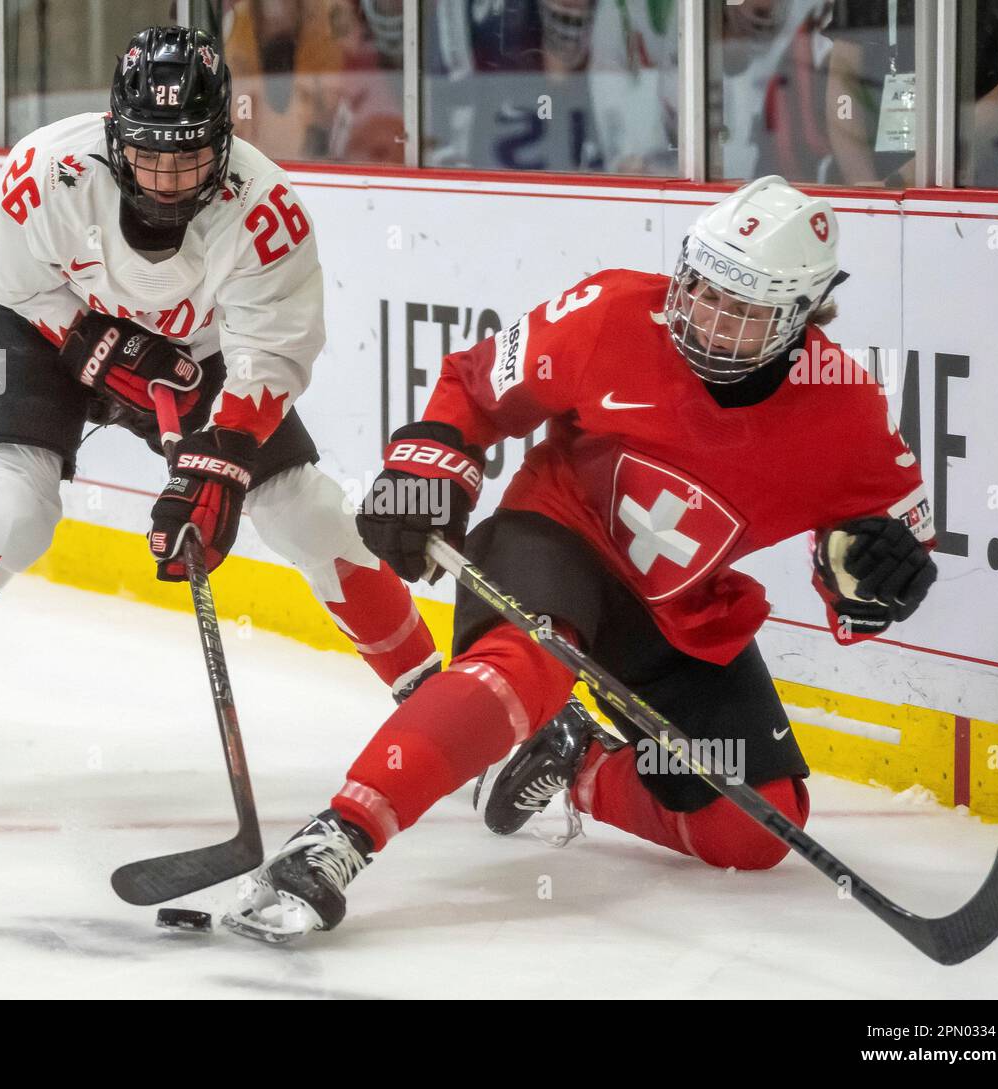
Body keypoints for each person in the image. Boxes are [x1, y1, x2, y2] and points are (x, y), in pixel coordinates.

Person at [224, 176, 939, 943]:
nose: (703, 317)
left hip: (679, 609)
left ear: (802, 318)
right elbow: (477, 385)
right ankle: (335, 838)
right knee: (522, 662)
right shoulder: (614, 312)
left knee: (754, 825)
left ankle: (576, 764)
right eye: (701, 287)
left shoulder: (846, 412)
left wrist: (877, 582)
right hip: (553, 539)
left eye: (741, 310)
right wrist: (426, 471)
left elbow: (881, 557)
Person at [0, 25, 440, 827]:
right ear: (112, 135)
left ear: (225, 141)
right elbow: (13, 283)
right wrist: (89, 339)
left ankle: (439, 705)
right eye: (150, 153)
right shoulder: (48, 171)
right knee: (15, 511)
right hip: (37, 330)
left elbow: (270, 357)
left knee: (303, 507)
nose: (167, 179)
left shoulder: (267, 213)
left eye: (189, 155)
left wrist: (220, 463)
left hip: (193, 355)